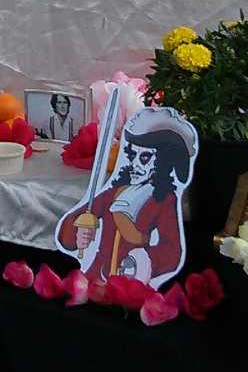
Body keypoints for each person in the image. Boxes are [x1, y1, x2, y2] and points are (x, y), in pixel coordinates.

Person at [55, 107, 197, 285]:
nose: (135, 164)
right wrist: (78, 231)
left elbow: (172, 251)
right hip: (95, 276)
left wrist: (142, 260)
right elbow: (81, 215)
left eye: (144, 158)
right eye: (133, 156)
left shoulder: (164, 200)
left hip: (129, 282)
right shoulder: (114, 193)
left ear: (161, 161)